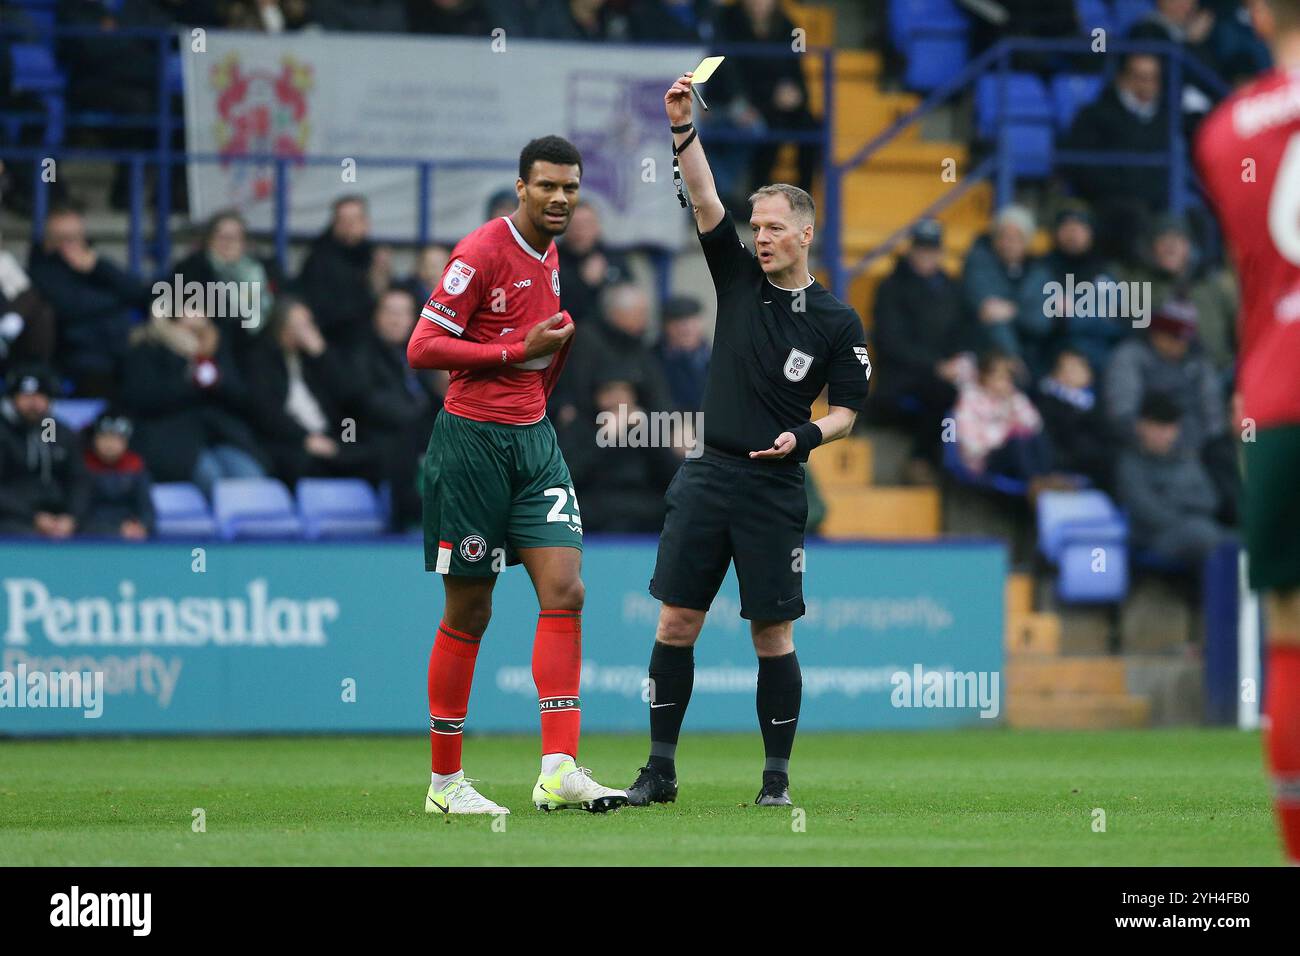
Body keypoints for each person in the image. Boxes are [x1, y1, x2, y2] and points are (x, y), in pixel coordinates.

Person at [624, 72, 872, 810]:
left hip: (773, 487)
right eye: (754, 225)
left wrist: (804, 435)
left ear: (804, 234)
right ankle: (659, 772)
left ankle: (774, 784)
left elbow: (850, 413)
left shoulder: (835, 321)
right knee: (676, 622)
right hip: (709, 476)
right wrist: (681, 130)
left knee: (772, 636)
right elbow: (704, 200)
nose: (758, 236)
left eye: (771, 228)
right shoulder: (736, 281)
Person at [406, 135, 626, 815]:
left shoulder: (554, 253)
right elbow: (421, 347)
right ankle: (445, 785)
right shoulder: (479, 252)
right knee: (470, 609)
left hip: (534, 444)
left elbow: (545, 341)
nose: (561, 198)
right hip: (471, 445)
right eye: (548, 186)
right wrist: (512, 352)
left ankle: (558, 768)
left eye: (571, 187)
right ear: (521, 187)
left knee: (566, 589)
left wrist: (538, 372)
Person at [1195, 0, 1300, 864]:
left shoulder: (1226, 131)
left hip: (1280, 396)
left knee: (1291, 632)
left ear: (1261, 14)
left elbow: (1254, 285)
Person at [119, 307, 268, 494]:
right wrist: (187, 380)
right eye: (192, 307)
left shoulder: (215, 347)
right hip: (169, 441)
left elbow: (242, 398)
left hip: (218, 437)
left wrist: (218, 381)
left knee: (252, 477)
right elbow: (141, 398)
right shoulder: (148, 347)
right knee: (214, 480)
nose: (199, 313)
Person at [871, 218, 970, 481]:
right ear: (911, 250)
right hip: (901, 375)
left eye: (932, 250)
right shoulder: (891, 287)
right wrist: (936, 366)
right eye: (921, 249)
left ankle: (971, 466)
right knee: (941, 393)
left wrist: (958, 360)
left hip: (944, 371)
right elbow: (891, 342)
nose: (926, 255)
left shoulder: (951, 287)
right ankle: (920, 461)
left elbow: (961, 332)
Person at [243, 298, 377, 488]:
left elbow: (349, 396)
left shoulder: (312, 359)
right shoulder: (262, 360)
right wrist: (304, 438)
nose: (309, 331)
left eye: (309, 324)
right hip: (288, 442)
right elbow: (267, 412)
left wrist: (322, 355)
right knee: (312, 466)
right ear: (282, 327)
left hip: (330, 434)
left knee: (371, 456)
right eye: (301, 325)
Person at [27, 204, 149, 396]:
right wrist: (120, 299)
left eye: (75, 238)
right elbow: (71, 306)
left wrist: (99, 267)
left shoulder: (98, 266)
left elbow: (141, 293)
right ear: (47, 242)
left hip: (122, 348)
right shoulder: (40, 273)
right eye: (61, 239)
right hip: (78, 356)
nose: (69, 245)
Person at [1061, 54, 1172, 260]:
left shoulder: (1168, 119)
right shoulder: (1093, 115)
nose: (1147, 85)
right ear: (1122, 78)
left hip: (1155, 202)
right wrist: (1124, 189)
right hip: (1104, 200)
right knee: (1130, 217)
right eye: (1140, 77)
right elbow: (1080, 166)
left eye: (1153, 78)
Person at [353, 288, 446, 530]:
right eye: (389, 312)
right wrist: (421, 416)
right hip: (378, 441)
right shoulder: (361, 354)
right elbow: (368, 402)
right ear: (376, 316)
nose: (396, 320)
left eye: (403, 313)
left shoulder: (416, 354)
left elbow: (433, 400)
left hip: (420, 436)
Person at [1115, 391, 1232, 564]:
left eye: (1170, 427)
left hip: (1200, 529)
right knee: (1205, 536)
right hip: (1153, 538)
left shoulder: (1187, 460)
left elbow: (1210, 500)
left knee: (1238, 540)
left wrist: (1170, 497)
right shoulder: (1130, 464)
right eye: (1158, 426)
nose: (1164, 434)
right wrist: (1187, 512)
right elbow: (1146, 510)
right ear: (1141, 426)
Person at [171, 209, 279, 366]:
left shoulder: (262, 269)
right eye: (222, 236)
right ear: (209, 240)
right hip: (218, 343)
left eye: (235, 237)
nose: (228, 243)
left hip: (262, 342)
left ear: (244, 242)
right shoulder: (193, 268)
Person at [961, 205, 1053, 378]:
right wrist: (1012, 357)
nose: (1008, 243)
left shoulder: (1039, 271)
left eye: (1016, 238)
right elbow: (991, 315)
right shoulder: (979, 264)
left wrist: (1013, 311)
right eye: (1003, 236)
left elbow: (1042, 322)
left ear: (1027, 241)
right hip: (990, 354)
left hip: (1035, 354)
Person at [0, 364, 88, 537]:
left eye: (40, 396)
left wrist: (71, 517)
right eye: (25, 396)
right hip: (13, 517)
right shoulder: (3, 432)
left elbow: (78, 479)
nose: (33, 403)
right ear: (12, 399)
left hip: (60, 519)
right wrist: (34, 517)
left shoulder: (55, 430)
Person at [953, 349, 1057, 487]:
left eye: (1007, 377)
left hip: (1016, 455)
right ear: (984, 375)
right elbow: (971, 446)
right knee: (1017, 442)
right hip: (985, 460)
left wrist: (1012, 403)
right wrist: (1005, 433)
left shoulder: (1014, 397)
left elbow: (1035, 424)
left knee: (1037, 437)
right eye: (998, 375)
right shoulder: (969, 398)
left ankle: (1046, 478)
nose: (1003, 381)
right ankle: (1037, 485)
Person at [296, 195, 388, 349]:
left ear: (366, 223)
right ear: (334, 224)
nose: (349, 225)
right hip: (333, 340)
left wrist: (380, 279)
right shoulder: (319, 258)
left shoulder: (374, 256)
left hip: (370, 342)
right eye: (343, 220)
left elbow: (381, 299)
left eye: (355, 219)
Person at [1036, 348, 1114, 490]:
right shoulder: (1046, 399)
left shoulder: (1099, 403)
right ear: (1056, 374)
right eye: (1068, 368)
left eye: (1079, 367)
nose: (1073, 373)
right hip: (1061, 463)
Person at [81, 411, 155, 539]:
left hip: (131, 533)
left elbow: (146, 509)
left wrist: (142, 526)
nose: (109, 444)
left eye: (116, 438)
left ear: (126, 441)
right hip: (93, 536)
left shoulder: (136, 466)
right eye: (104, 437)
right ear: (94, 439)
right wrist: (115, 530)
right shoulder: (83, 466)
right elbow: (80, 513)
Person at [656, 294, 710, 412]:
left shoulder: (718, 356)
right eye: (678, 324)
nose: (686, 330)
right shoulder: (652, 360)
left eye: (692, 322)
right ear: (665, 327)